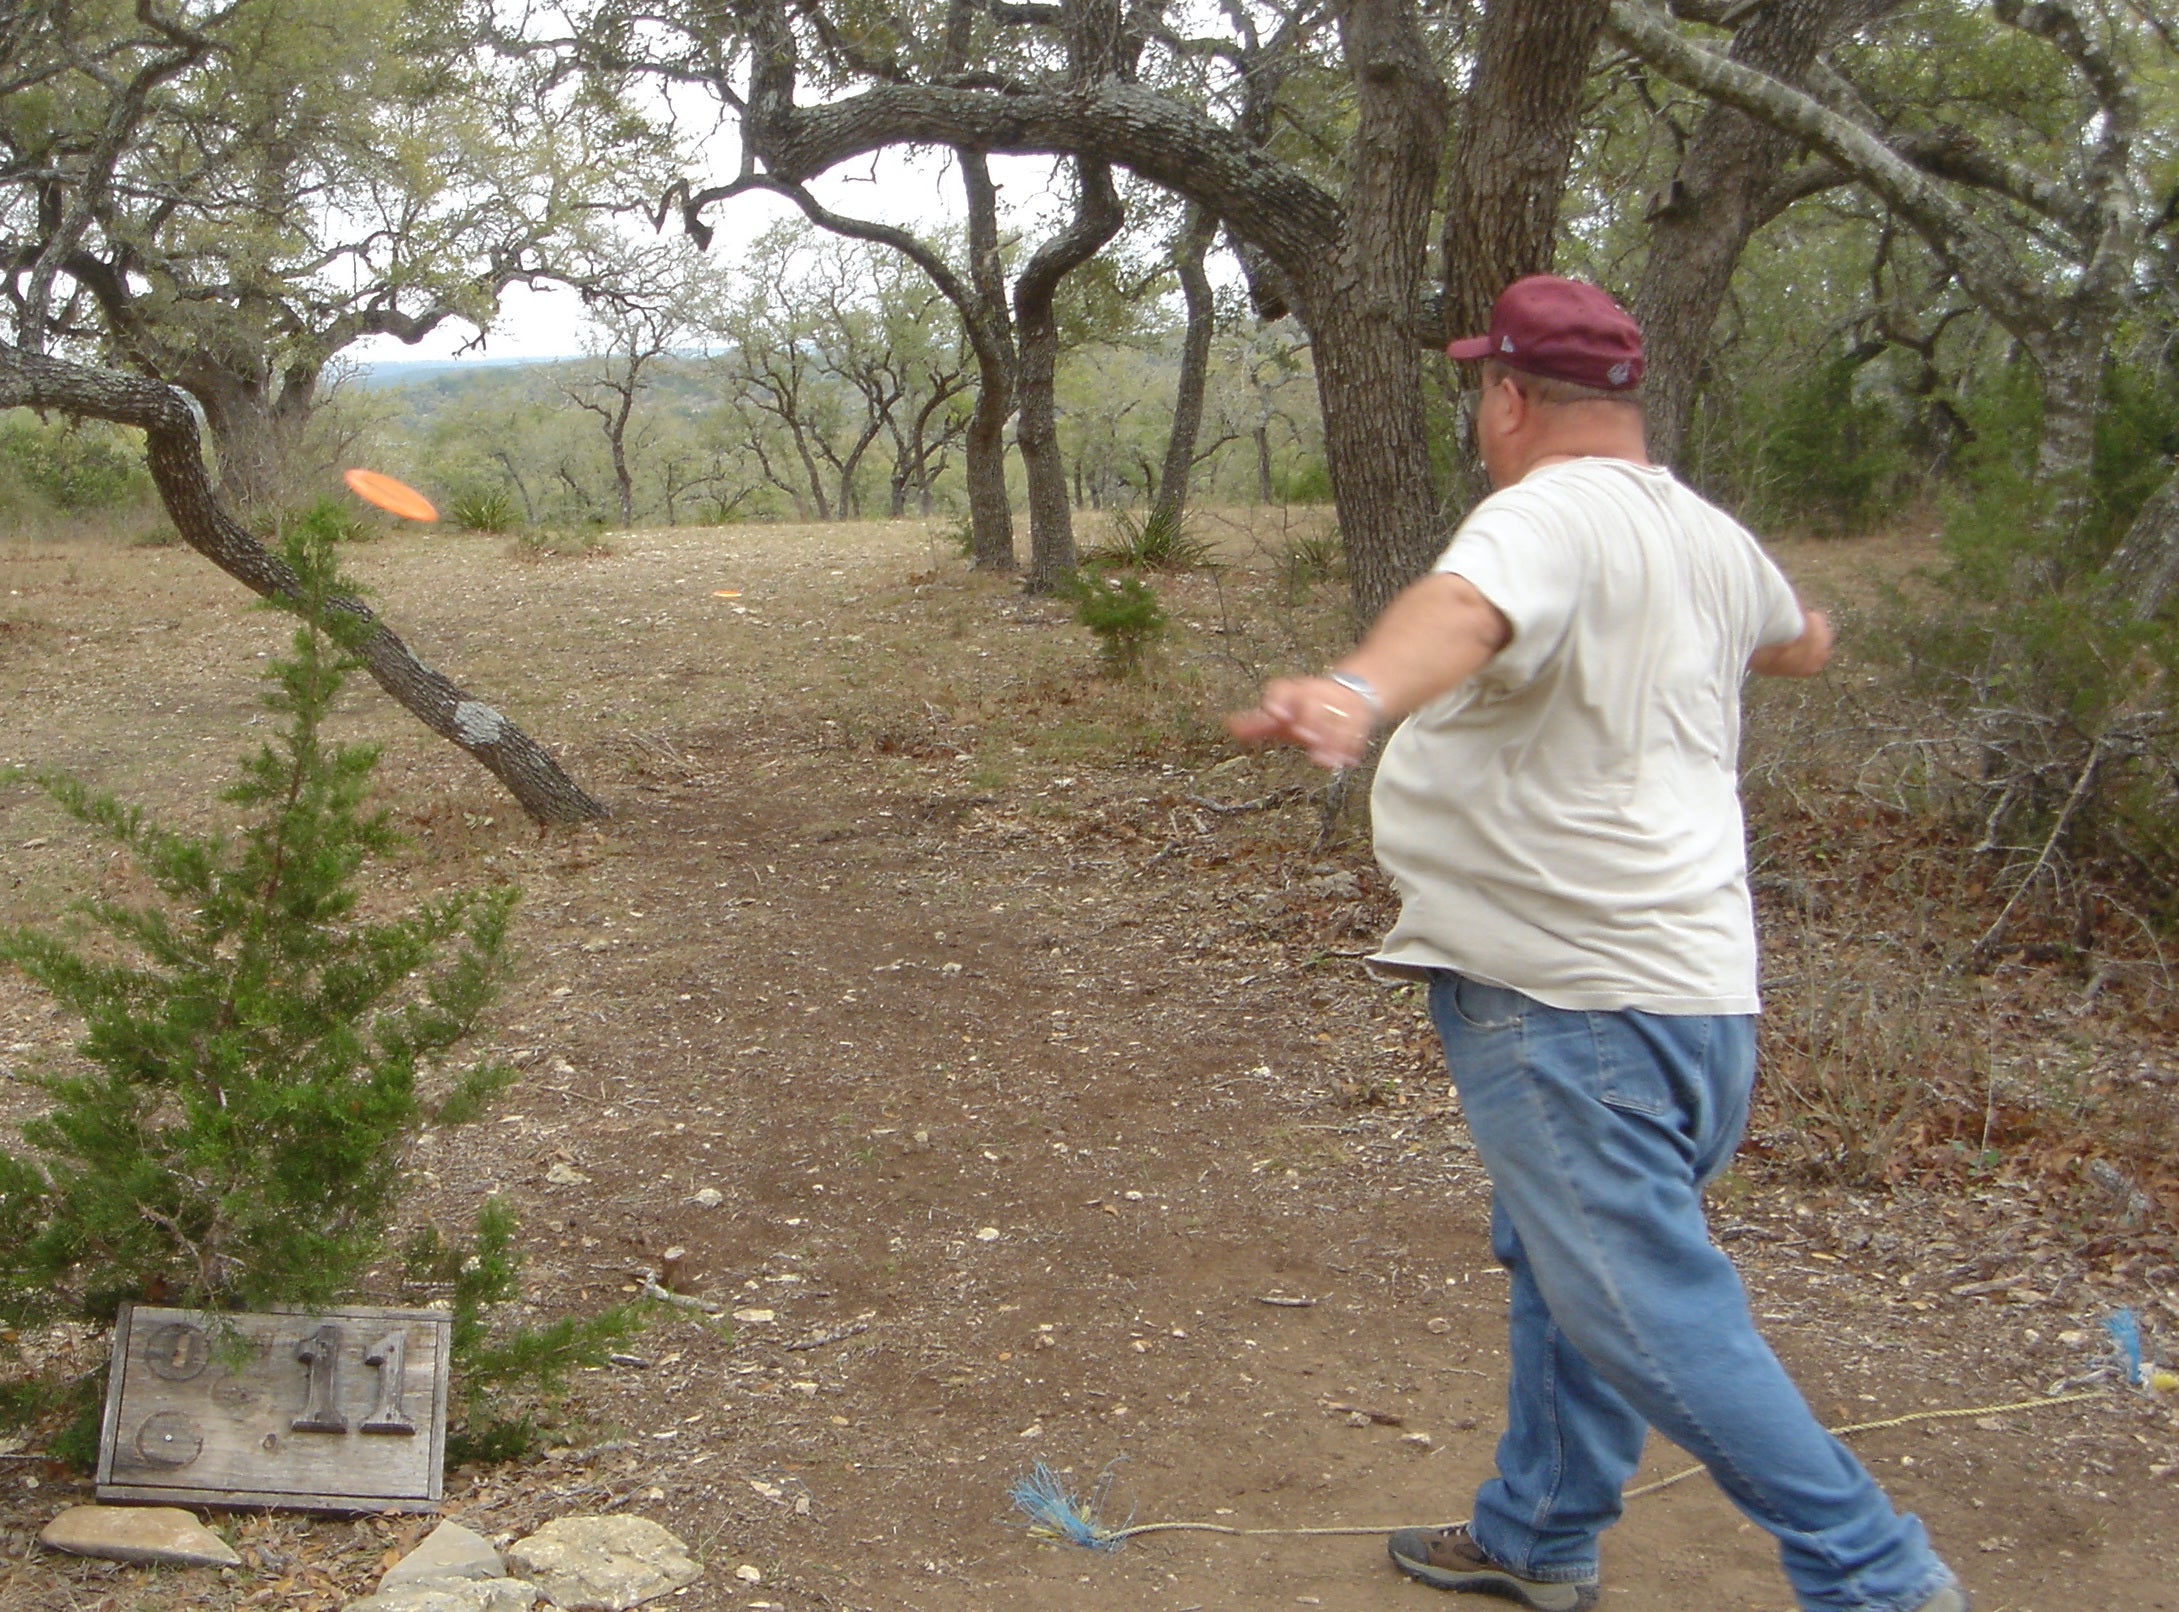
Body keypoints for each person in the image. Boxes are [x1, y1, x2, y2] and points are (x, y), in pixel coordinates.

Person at [1227, 275, 1964, 1612]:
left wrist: (1351, 691)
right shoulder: (1706, 532)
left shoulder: (1543, 516)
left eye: (1479, 394)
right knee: (1570, 1267)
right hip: (1699, 1000)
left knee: (1643, 1305)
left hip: (1570, 998)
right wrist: (1792, 629)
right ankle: (1540, 1532)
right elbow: (1801, 641)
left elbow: (1464, 611)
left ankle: (1876, 1577)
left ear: (1507, 397)